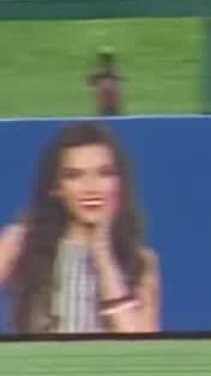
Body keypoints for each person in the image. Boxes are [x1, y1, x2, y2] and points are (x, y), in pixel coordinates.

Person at [0, 122, 161, 335]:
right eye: (74, 175)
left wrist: (103, 255)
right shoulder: (21, 242)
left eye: (104, 173)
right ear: (56, 187)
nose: (91, 188)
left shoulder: (142, 261)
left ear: (119, 183)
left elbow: (142, 344)